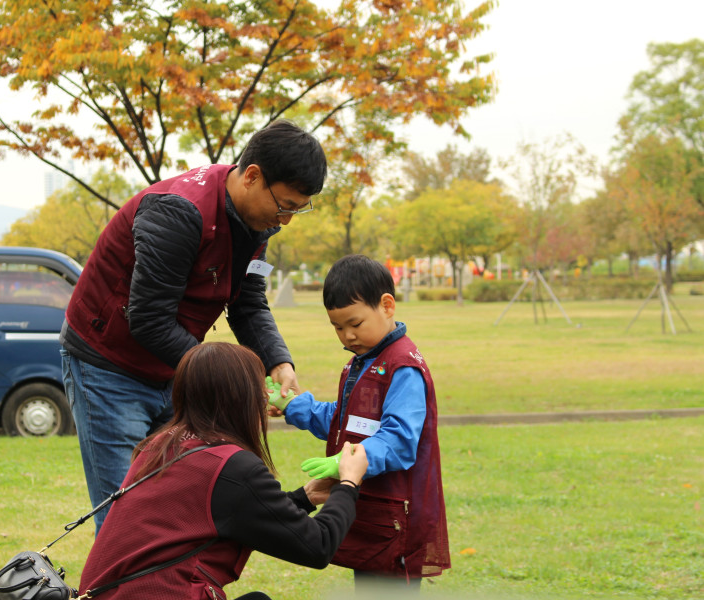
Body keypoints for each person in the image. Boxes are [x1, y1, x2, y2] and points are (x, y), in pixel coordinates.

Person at [60, 119, 326, 532]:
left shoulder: (258, 222)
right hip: (107, 365)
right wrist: (229, 378)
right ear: (253, 176)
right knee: (123, 519)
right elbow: (148, 320)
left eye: (297, 208)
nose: (287, 219)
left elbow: (248, 303)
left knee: (181, 504)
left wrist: (278, 361)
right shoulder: (178, 212)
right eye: (286, 205)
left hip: (174, 367)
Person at [79, 342, 369, 600]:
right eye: (259, 388)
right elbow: (318, 546)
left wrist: (305, 497)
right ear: (240, 398)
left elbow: (239, 515)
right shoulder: (231, 466)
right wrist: (348, 483)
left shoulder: (159, 445)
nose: (265, 397)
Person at [267, 254, 450, 595]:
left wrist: (347, 462)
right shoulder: (363, 361)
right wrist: (294, 405)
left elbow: (398, 438)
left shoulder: (401, 367)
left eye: (355, 323)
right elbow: (344, 420)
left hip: (396, 516)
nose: (347, 335)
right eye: (337, 327)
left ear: (387, 305)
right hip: (370, 509)